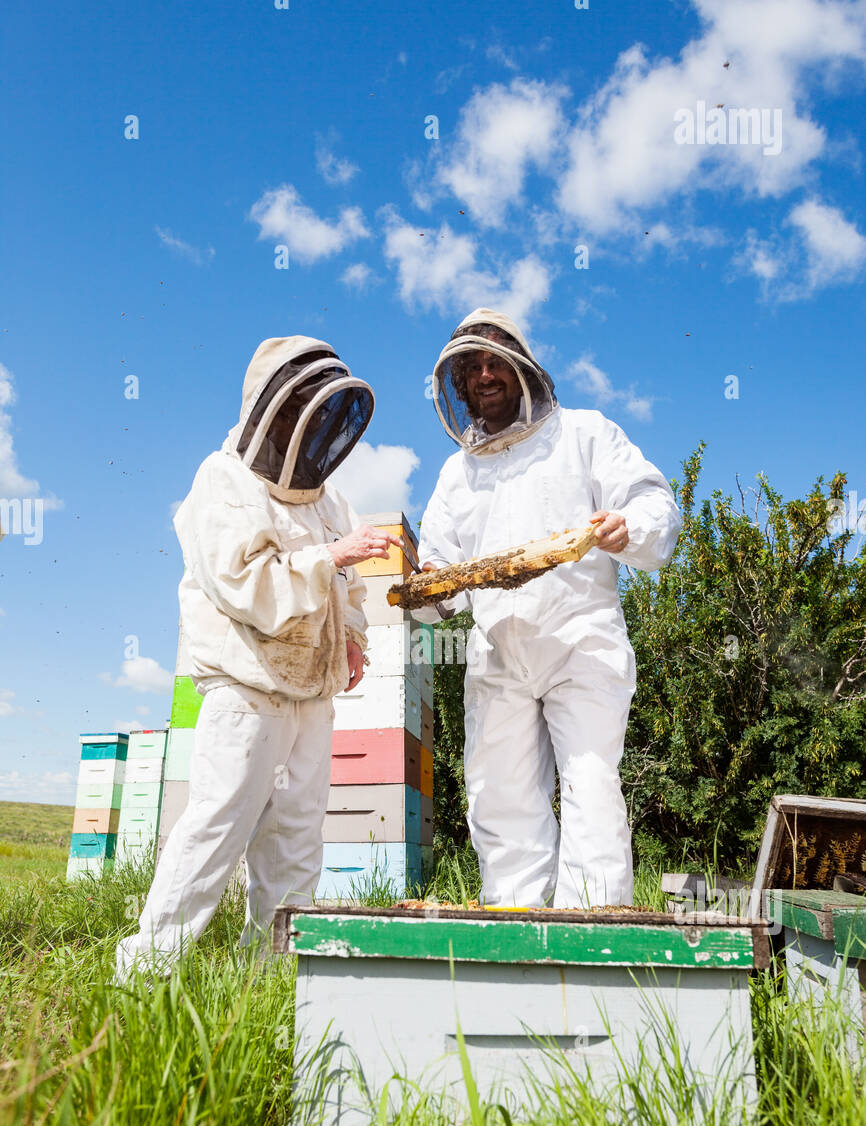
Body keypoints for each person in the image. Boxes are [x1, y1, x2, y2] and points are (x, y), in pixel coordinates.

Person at [115, 336, 395, 981]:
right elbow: (243, 584)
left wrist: (352, 636)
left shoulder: (326, 498)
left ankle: (272, 973)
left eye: (321, 410)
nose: (312, 423)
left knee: (296, 839)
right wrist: (334, 557)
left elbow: (347, 588)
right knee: (217, 828)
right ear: (272, 407)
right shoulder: (223, 480)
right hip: (246, 688)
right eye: (301, 405)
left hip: (312, 694)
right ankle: (147, 971)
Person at [415, 309, 682, 909]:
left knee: (589, 786)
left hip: (579, 640)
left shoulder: (585, 433)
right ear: (458, 386)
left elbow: (651, 503)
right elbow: (441, 581)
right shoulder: (457, 475)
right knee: (499, 794)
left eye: (495, 362)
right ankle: (515, 933)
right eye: (472, 368)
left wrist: (627, 527)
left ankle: (593, 937)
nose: (485, 375)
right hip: (498, 653)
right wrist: (430, 587)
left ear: (522, 369)